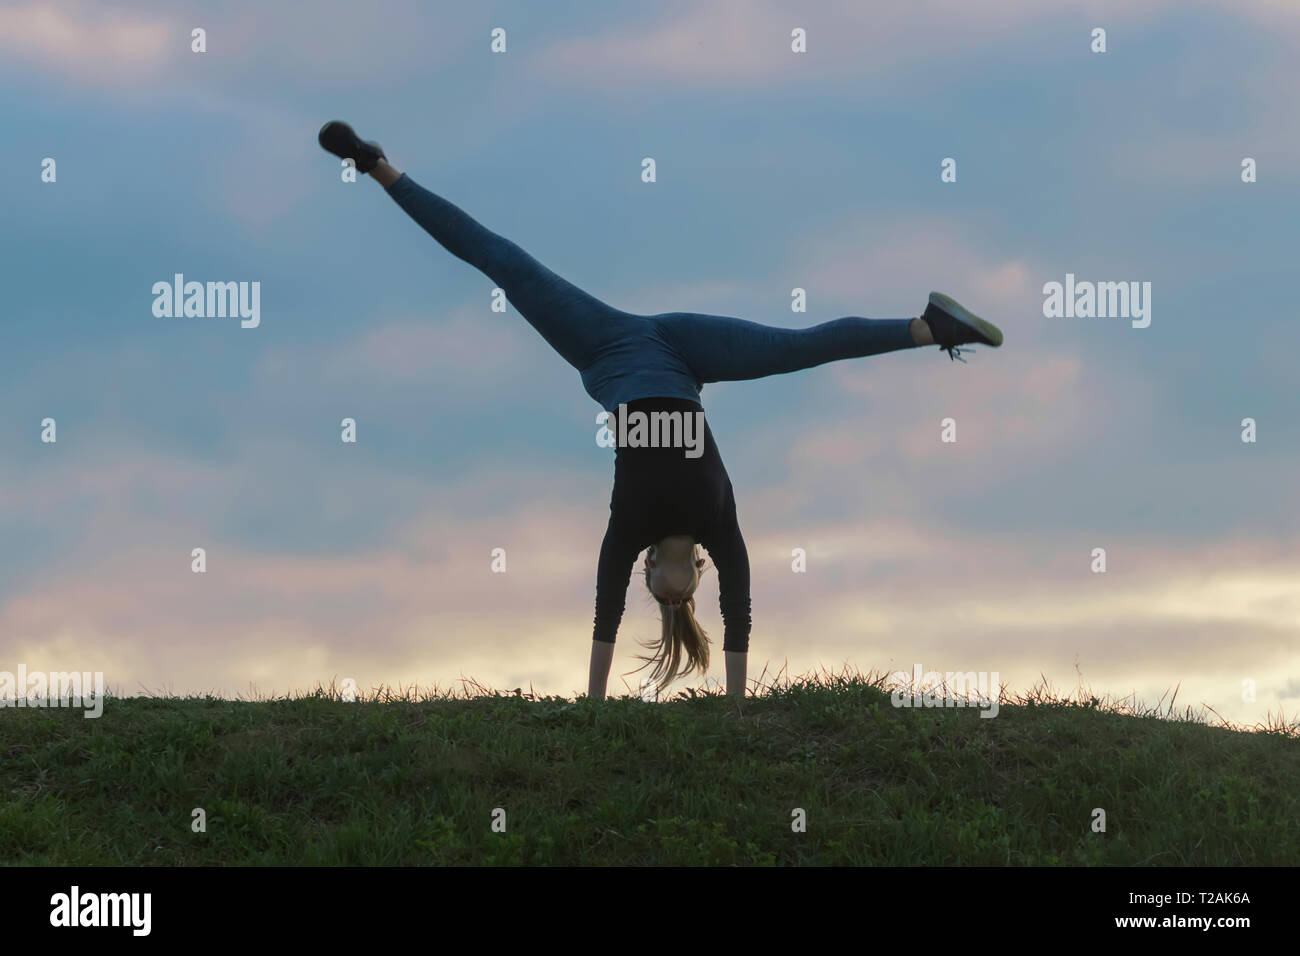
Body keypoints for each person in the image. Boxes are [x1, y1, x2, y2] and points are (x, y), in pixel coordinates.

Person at [317, 121, 1004, 701]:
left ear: (646, 569)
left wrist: (593, 707)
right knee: (797, 349)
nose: (670, 595)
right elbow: (739, 617)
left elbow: (602, 615)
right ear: (694, 574)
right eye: (681, 598)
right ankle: (930, 328)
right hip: (684, 354)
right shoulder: (718, 528)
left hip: (605, 348)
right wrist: (737, 712)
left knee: (505, 265)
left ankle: (374, 165)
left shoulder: (629, 526)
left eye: (658, 593)